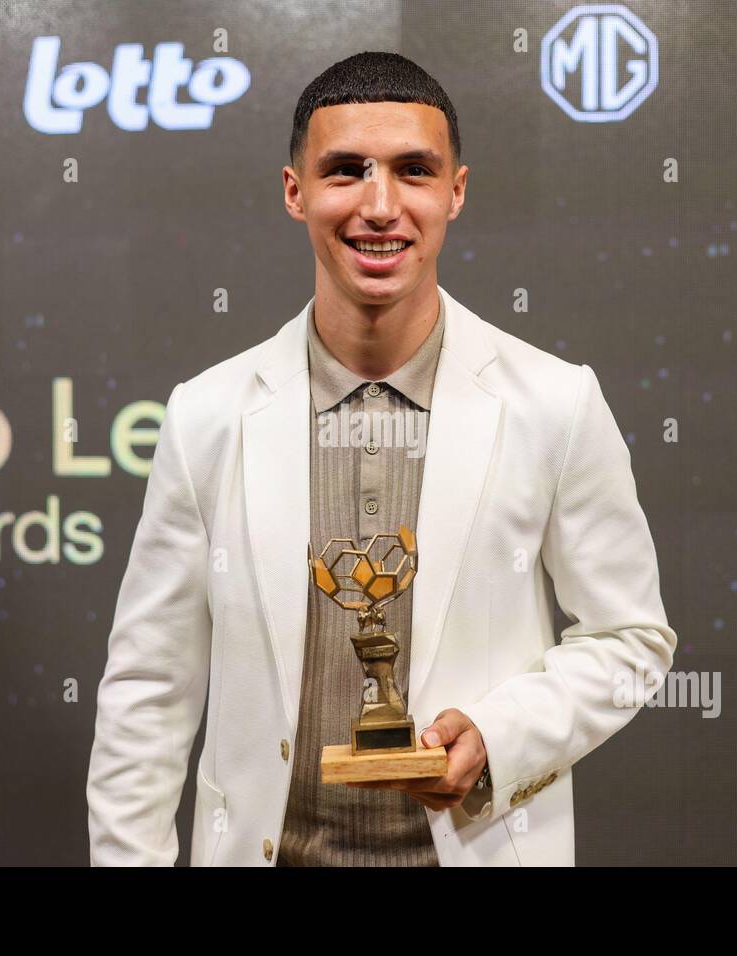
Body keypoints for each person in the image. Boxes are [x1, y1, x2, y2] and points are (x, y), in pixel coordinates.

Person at [87, 51, 677, 867]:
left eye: (414, 171)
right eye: (345, 171)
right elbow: (148, 692)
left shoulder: (555, 403)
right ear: (294, 192)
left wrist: (498, 739)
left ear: (456, 192)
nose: (380, 205)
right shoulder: (207, 416)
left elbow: (631, 640)